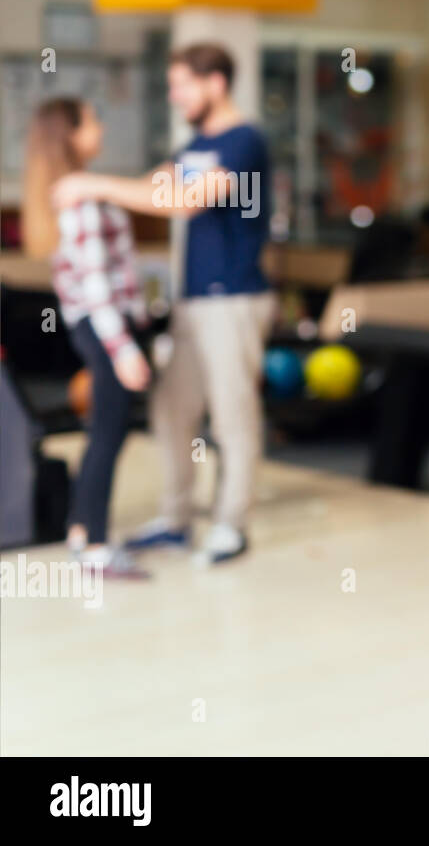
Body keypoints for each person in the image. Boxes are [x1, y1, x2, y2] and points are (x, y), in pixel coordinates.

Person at [52, 43, 275, 567]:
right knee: (171, 411)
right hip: (193, 300)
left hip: (235, 297)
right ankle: (176, 520)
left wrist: (93, 182)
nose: (174, 96)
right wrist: (99, 187)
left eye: (181, 85)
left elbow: (184, 200)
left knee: (232, 416)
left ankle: (230, 526)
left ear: (215, 83)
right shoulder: (197, 144)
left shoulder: (243, 143)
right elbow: (156, 185)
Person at [21, 98, 150, 578]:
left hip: (93, 326)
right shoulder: (82, 200)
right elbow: (97, 286)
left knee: (102, 432)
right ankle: (96, 546)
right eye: (93, 120)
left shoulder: (72, 191)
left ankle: (80, 529)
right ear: (70, 135)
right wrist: (123, 350)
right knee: (107, 435)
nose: (100, 127)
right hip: (104, 327)